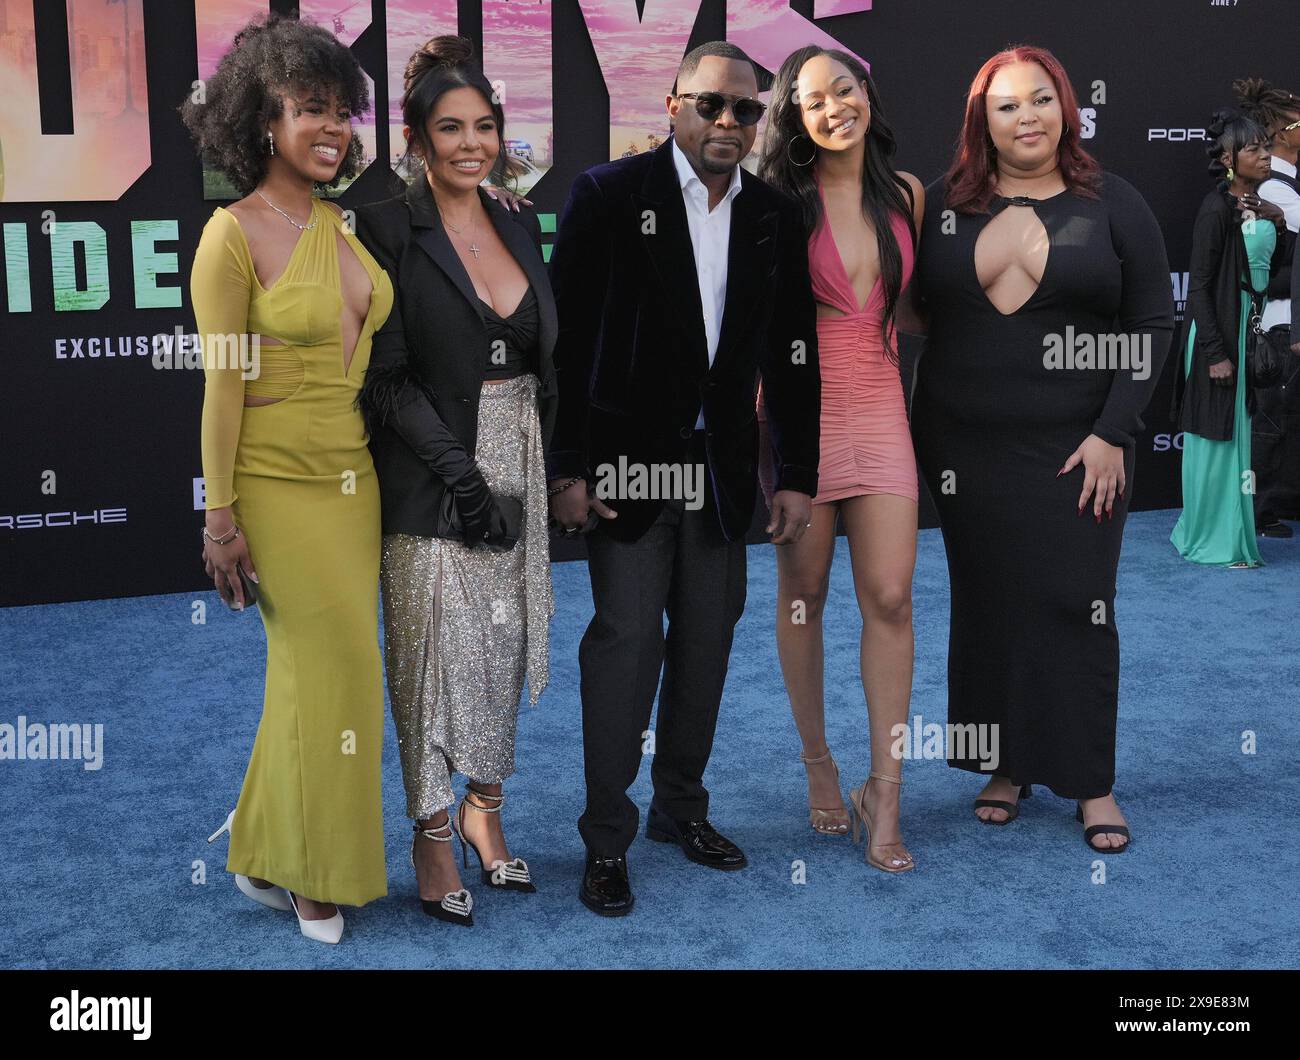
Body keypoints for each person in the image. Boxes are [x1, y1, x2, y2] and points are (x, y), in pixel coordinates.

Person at [548, 41, 820, 915]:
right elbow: (568, 344)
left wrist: (797, 473)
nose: (730, 123)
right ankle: (605, 836)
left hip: (724, 470)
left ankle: (680, 808)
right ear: (672, 106)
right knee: (626, 646)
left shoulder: (776, 213)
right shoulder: (609, 195)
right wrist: (569, 470)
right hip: (627, 468)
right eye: (712, 105)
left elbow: (791, 354)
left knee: (706, 643)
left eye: (748, 109)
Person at [910, 45, 1174, 853]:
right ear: (980, 122)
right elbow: (912, 308)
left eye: (1040, 100)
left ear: (1067, 108)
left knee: (1076, 605)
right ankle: (1003, 766)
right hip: (963, 446)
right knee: (988, 604)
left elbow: (1152, 324)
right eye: (1006, 105)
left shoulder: (1113, 203)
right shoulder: (944, 206)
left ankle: (1091, 780)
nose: (1026, 117)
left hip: (1079, 446)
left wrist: (1112, 432)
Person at [183, 15, 393, 943]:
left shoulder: (343, 223)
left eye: (342, 111)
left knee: (313, 678)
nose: (332, 128)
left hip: (354, 481)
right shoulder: (229, 237)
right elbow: (220, 387)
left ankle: (267, 831)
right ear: (262, 119)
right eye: (310, 109)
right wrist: (220, 516)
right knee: (333, 670)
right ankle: (309, 871)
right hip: (272, 486)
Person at [354, 36, 556, 928]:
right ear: (417, 137)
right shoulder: (387, 229)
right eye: (449, 128)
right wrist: (464, 480)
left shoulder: (516, 217)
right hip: (436, 467)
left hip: (521, 450)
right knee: (434, 657)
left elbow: (541, 351)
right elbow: (386, 379)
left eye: (484, 126)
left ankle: (485, 807)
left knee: (503, 649)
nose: (470, 142)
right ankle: (431, 835)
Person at [755, 46, 923, 872]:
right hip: (800, 412)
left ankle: (884, 788)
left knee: (891, 596)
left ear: (866, 94)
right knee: (805, 592)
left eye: (844, 91)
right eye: (813, 100)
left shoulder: (909, 196)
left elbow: (920, 311)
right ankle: (819, 762)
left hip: (882, 407)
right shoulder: (779, 201)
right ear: (795, 115)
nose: (833, 109)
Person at [1172, 110, 1291, 567]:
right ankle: (1211, 537)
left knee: (1239, 435)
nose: (1266, 156)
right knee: (1215, 438)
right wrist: (1215, 354)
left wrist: (1277, 221)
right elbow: (1199, 286)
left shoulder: (1260, 204)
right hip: (1216, 334)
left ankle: (1238, 534)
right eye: (1255, 149)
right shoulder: (1214, 209)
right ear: (1228, 158)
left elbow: (1271, 272)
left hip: (1247, 327)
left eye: (1267, 146)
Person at [1235, 79, 1300, 539]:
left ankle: (1271, 508)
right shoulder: (1276, 190)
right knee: (1272, 424)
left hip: (1287, 324)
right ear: (1281, 131)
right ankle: (1253, 513)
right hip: (1280, 327)